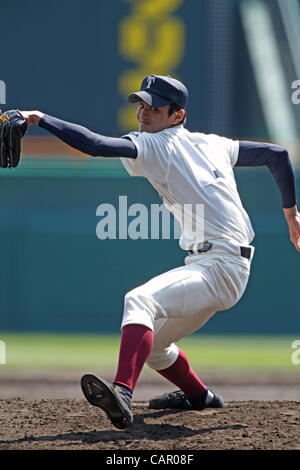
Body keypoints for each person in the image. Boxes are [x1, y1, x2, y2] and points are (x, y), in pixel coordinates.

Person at [20, 74, 300, 430]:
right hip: (216, 265)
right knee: (153, 347)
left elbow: (94, 145)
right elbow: (276, 156)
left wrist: (41, 119)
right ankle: (199, 396)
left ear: (177, 115)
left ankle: (122, 392)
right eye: (140, 103)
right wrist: (291, 215)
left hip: (220, 266)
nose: (144, 112)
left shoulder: (159, 146)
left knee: (139, 300)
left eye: (154, 106)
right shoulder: (211, 144)